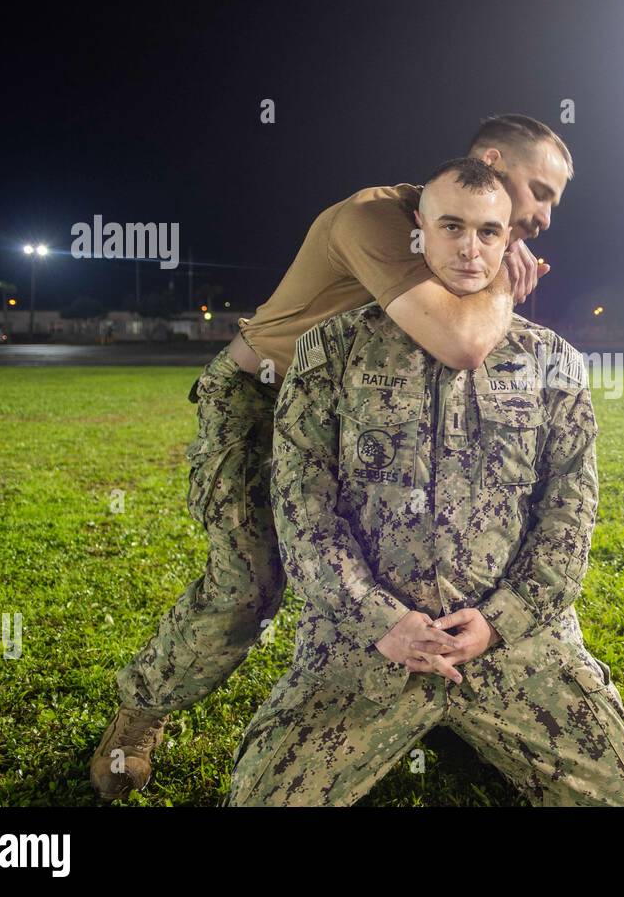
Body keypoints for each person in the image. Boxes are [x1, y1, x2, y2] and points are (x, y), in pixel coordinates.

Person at [90, 115, 572, 801]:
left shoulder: (457, 240)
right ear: (491, 160)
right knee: (248, 584)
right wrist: (499, 286)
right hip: (259, 402)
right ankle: (141, 709)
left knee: (401, 560)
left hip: (349, 419)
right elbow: (462, 341)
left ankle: (436, 708)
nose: (547, 215)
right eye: (541, 189)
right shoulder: (378, 218)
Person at [228, 158, 624, 806]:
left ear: (510, 242)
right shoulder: (332, 349)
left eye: (488, 231)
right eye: (451, 226)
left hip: (510, 648)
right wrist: (378, 619)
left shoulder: (551, 361)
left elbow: (570, 512)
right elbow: (301, 505)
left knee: (619, 795)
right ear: (418, 232)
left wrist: (501, 621)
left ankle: (469, 720)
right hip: (367, 646)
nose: (470, 247)